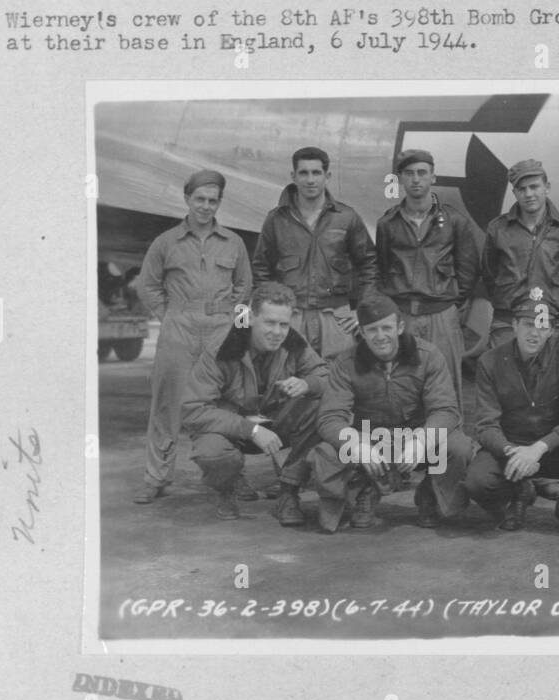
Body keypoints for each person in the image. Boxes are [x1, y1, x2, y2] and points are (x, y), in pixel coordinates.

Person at [132, 170, 251, 505]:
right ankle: (156, 477)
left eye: (213, 201)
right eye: (200, 199)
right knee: (167, 403)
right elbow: (148, 285)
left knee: (226, 403)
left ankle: (231, 476)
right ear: (186, 199)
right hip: (179, 328)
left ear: (219, 203)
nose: (206, 206)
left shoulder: (233, 242)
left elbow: (244, 286)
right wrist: (169, 316)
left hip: (220, 328)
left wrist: (232, 325)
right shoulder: (166, 242)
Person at [312, 291, 474, 533]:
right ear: (362, 332)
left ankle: (431, 491)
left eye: (386, 328)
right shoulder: (346, 363)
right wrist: (356, 445)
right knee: (326, 453)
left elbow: (446, 410)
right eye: (372, 330)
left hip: (415, 435)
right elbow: (330, 418)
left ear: (399, 327)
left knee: (458, 446)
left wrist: (422, 441)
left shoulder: (428, 356)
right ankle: (364, 489)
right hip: (371, 437)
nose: (380, 337)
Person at [465, 298, 559, 536]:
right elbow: (485, 425)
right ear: (514, 325)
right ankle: (518, 494)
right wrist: (511, 452)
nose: (535, 333)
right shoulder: (491, 361)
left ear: (552, 330)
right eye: (528, 324)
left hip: (555, 447)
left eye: (543, 326)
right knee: (477, 482)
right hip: (512, 451)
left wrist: (541, 447)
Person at [181, 283, 327, 525]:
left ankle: (288, 493)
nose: (277, 332)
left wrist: (307, 383)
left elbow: (325, 376)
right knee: (212, 452)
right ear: (249, 318)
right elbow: (194, 410)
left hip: (275, 423)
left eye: (284, 324)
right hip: (234, 429)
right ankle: (226, 489)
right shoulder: (222, 347)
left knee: (322, 406)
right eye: (269, 323)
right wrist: (251, 430)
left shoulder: (293, 342)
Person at [375, 148, 479, 407]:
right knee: (403, 385)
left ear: (433, 176)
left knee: (446, 387)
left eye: (422, 173)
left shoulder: (454, 220)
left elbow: (468, 269)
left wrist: (452, 306)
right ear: (400, 178)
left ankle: (447, 446)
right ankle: (406, 446)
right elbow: (383, 269)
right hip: (403, 317)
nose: (416, 179)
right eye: (409, 173)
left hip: (442, 315)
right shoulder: (388, 223)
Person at [252, 145, 378, 359]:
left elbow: (370, 265)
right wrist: (272, 312)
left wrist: (362, 309)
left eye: (316, 173)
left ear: (327, 176)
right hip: (291, 316)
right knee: (288, 377)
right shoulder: (277, 219)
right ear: (293, 176)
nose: (310, 180)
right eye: (303, 173)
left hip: (336, 318)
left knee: (336, 381)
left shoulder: (346, 217)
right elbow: (261, 268)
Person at [479, 159, 559, 350]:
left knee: (550, 377)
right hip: (509, 319)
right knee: (506, 375)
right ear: (514, 193)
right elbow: (489, 273)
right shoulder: (498, 228)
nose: (528, 194)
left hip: (550, 318)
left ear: (547, 187)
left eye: (534, 187)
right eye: (521, 189)